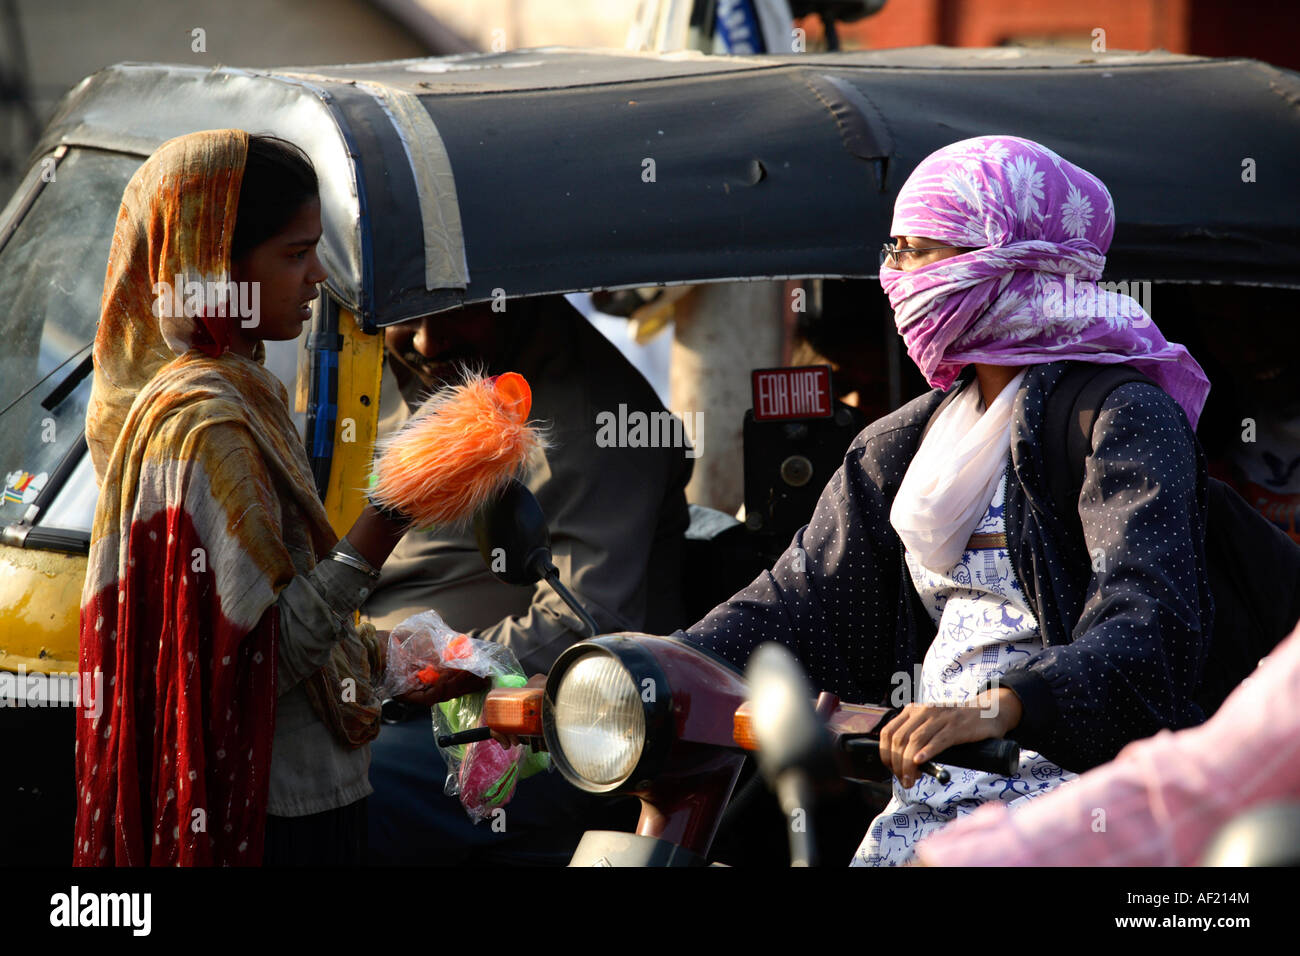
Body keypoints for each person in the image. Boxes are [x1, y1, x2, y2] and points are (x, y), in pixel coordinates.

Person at [676, 134, 1214, 865]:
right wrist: (649, 667)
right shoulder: (904, 442)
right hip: (925, 802)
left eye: (922, 251)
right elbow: (800, 601)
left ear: (1011, 262)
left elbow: (1148, 624)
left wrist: (1004, 706)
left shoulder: (1120, 416)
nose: (895, 274)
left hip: (1076, 806)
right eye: (892, 249)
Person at [75, 129, 447, 866]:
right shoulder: (207, 427)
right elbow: (258, 663)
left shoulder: (243, 393)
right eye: (294, 253)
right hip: (275, 813)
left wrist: (390, 657)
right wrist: (388, 517)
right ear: (217, 267)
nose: (317, 276)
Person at [359, 294, 694, 863]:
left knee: (335, 794)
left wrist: (443, 662)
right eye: (408, 311)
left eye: (453, 310)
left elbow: (588, 622)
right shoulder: (386, 374)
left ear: (511, 291)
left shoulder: (594, 417)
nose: (425, 342)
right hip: (377, 685)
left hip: (533, 728)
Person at [915, 617, 1300, 866]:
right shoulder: (888, 491)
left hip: (1068, 777)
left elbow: (1202, 786)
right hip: (923, 791)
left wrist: (1017, 699)